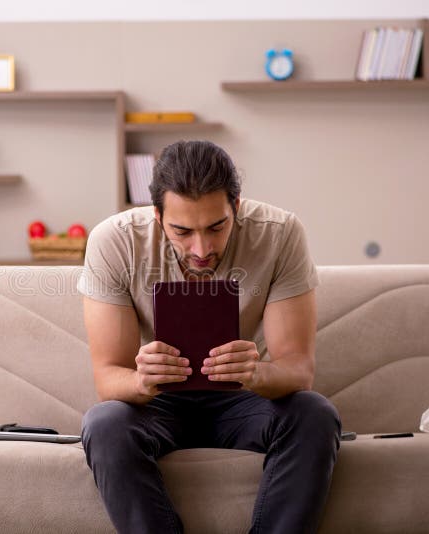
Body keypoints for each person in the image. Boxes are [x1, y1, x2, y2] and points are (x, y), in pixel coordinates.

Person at [76, 140, 341, 534]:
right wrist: (140, 380)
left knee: (314, 414)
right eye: (182, 231)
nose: (201, 249)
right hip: (159, 406)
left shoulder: (280, 233)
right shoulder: (114, 241)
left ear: (236, 206)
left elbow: (298, 370)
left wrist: (258, 374)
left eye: (217, 227)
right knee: (105, 423)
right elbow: (107, 378)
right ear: (157, 215)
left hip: (245, 402)